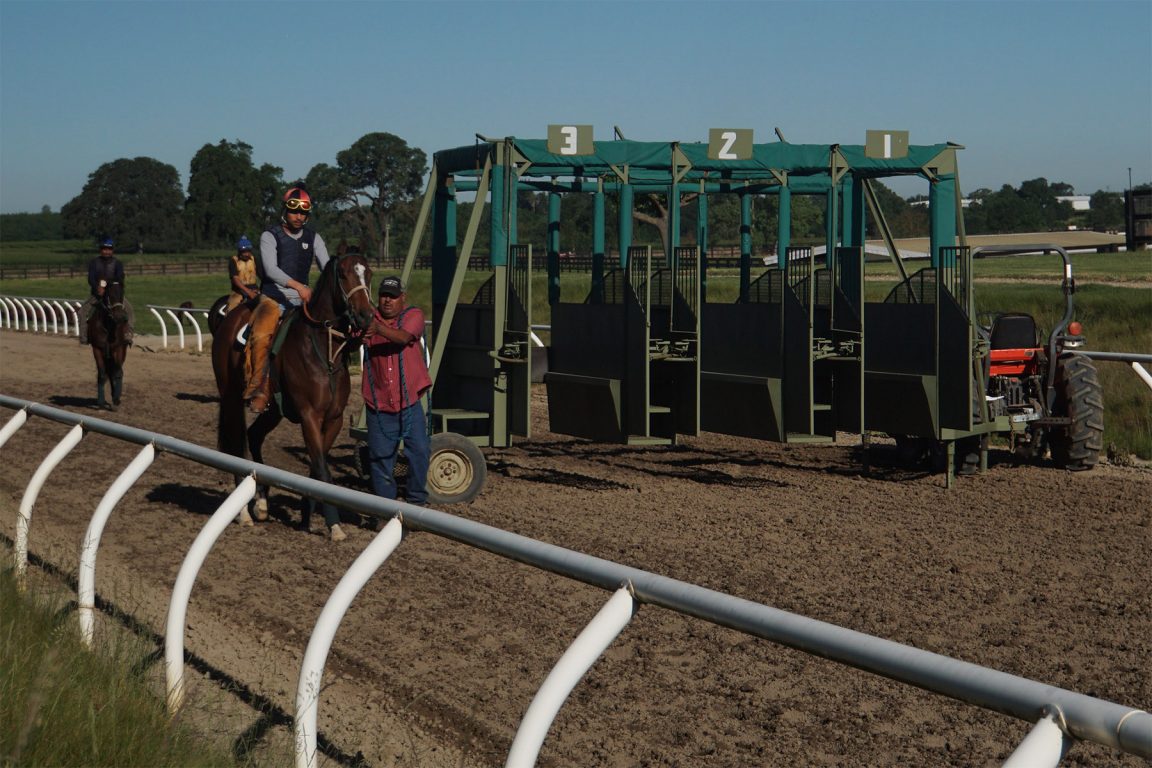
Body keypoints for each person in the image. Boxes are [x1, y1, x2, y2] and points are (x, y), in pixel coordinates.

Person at [243, 184, 330, 414]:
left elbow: (327, 267)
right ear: (285, 210)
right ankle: (257, 388)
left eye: (303, 212)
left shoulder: (314, 238)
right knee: (261, 336)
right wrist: (298, 286)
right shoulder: (269, 236)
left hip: (303, 302)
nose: (299, 216)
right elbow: (270, 269)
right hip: (273, 299)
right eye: (294, 211)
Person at [361, 276, 433, 506]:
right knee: (380, 458)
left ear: (403, 298)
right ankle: (386, 506)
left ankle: (416, 501)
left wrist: (377, 329)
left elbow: (403, 337)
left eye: (392, 296)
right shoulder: (367, 318)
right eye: (384, 296)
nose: (387, 301)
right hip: (379, 402)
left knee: (420, 451)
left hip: (408, 401)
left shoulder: (414, 315)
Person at [79, 238, 135, 345]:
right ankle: (84, 336)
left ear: (112, 250)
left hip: (114, 294)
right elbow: (91, 279)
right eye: (104, 249)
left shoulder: (117, 263)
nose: (107, 251)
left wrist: (107, 285)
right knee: (82, 312)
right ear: (101, 250)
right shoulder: (94, 263)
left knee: (130, 311)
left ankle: (128, 334)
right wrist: (97, 288)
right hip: (97, 294)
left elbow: (119, 278)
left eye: (109, 249)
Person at [225, 235, 260, 313]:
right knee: (232, 306)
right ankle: (227, 320)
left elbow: (261, 274)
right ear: (239, 251)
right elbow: (235, 279)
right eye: (244, 252)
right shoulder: (234, 261)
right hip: (238, 291)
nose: (247, 254)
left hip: (254, 289)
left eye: (248, 251)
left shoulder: (254, 259)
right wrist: (248, 292)